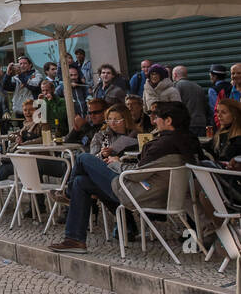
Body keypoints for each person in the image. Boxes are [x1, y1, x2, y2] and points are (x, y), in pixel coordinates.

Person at [49, 101, 200, 254]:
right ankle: (74, 240)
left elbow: (136, 174)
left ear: (168, 121)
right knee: (80, 183)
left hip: (135, 192)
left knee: (83, 158)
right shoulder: (185, 141)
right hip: (157, 192)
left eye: (157, 117)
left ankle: (67, 194)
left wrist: (116, 163)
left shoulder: (163, 144)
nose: (153, 121)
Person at [172, 66, 211, 137]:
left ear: (174, 75)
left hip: (187, 125)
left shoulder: (176, 85)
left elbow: (175, 106)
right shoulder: (198, 87)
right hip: (201, 124)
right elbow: (205, 106)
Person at [206, 98, 241, 172]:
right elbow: (208, 147)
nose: (219, 115)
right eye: (218, 112)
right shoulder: (221, 133)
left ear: (234, 115)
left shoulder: (238, 138)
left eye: (224, 112)